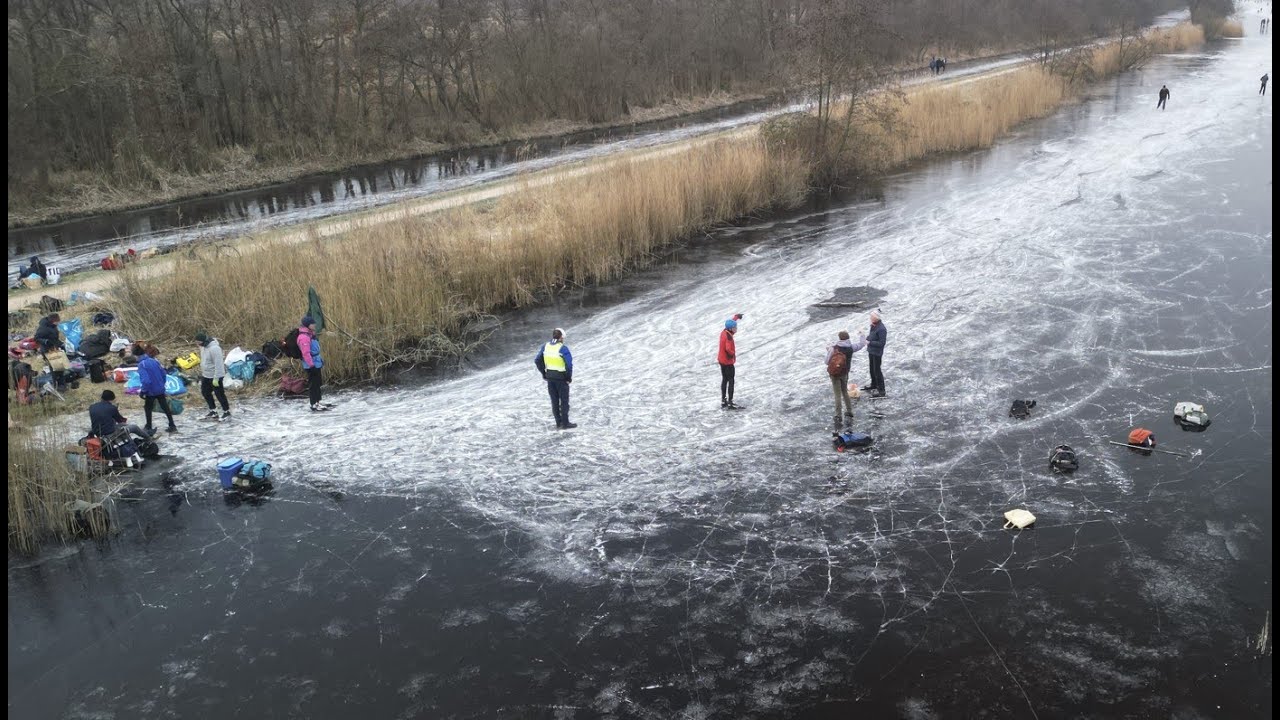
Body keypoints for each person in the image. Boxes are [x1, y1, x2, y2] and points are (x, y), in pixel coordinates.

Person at [88, 390, 144, 466]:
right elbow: (120, 420)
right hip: (110, 433)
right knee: (134, 427)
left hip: (97, 432)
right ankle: (148, 439)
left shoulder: (92, 407)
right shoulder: (112, 408)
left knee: (118, 426)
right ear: (111, 399)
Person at [534, 328, 575, 429]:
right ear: (561, 337)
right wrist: (568, 377)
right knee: (564, 401)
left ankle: (558, 422)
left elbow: (537, 360)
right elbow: (569, 365)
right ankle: (565, 423)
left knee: (554, 401)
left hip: (550, 378)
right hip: (561, 379)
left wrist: (544, 373)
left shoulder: (545, 346)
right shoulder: (563, 348)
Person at [825, 330, 866, 425]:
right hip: (845, 373)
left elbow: (826, 362)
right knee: (844, 392)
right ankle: (849, 411)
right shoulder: (851, 347)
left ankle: (838, 415)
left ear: (840, 338)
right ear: (848, 338)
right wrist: (862, 335)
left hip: (835, 374)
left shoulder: (834, 348)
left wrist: (829, 351)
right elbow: (861, 344)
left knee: (837, 394)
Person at [137, 344, 178, 434]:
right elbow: (163, 374)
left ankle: (149, 426)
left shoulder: (142, 364)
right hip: (160, 389)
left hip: (151, 391)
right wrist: (161, 384)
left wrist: (143, 391)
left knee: (148, 408)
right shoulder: (155, 361)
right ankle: (172, 425)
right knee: (165, 407)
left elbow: (146, 381)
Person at [194, 331, 231, 420]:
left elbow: (219, 364)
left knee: (219, 394)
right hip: (206, 375)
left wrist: (216, 378)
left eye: (199, 342)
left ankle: (226, 412)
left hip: (216, 375)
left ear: (204, 341)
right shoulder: (203, 347)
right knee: (205, 392)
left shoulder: (215, 349)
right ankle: (213, 411)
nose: (198, 344)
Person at [297, 316, 326, 411]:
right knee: (313, 385)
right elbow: (306, 353)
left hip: (316, 362)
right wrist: (312, 365)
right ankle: (313, 404)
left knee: (317, 383)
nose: (315, 325)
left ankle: (318, 402)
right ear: (308, 325)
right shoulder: (304, 337)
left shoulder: (310, 334)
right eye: (313, 324)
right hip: (311, 365)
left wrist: (320, 361)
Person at [718, 313, 744, 409]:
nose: (736, 328)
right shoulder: (729, 337)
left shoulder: (724, 331)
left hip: (721, 361)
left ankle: (724, 401)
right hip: (727, 363)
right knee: (731, 381)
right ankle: (730, 402)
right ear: (731, 329)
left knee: (724, 379)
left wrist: (736, 317)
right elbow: (728, 349)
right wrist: (732, 354)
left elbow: (730, 323)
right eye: (735, 327)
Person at [864, 310, 888, 397]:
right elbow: (871, 336)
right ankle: (874, 384)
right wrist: (866, 338)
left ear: (876, 318)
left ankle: (881, 390)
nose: (870, 318)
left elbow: (882, 343)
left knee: (877, 371)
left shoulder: (882, 329)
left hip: (877, 353)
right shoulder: (873, 325)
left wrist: (870, 342)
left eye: (871, 317)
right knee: (871, 369)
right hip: (871, 351)